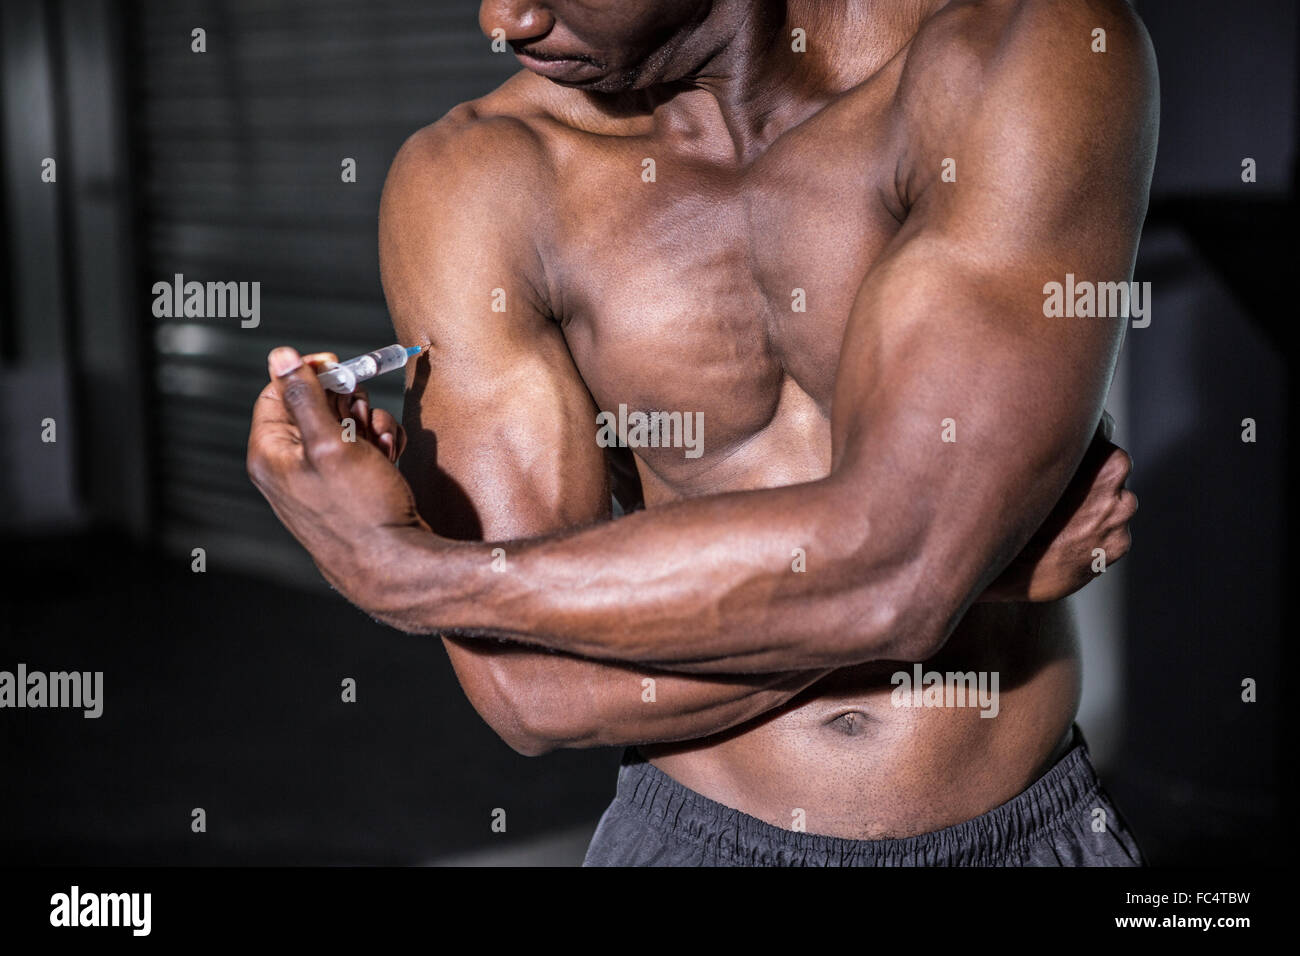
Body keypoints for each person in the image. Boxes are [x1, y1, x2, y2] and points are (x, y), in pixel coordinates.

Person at [247, 0, 1155, 866]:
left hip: (1023, 837)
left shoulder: (1022, 49)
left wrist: (404, 574)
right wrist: (970, 572)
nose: (504, 21)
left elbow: (902, 572)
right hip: (693, 840)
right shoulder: (482, 177)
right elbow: (533, 691)